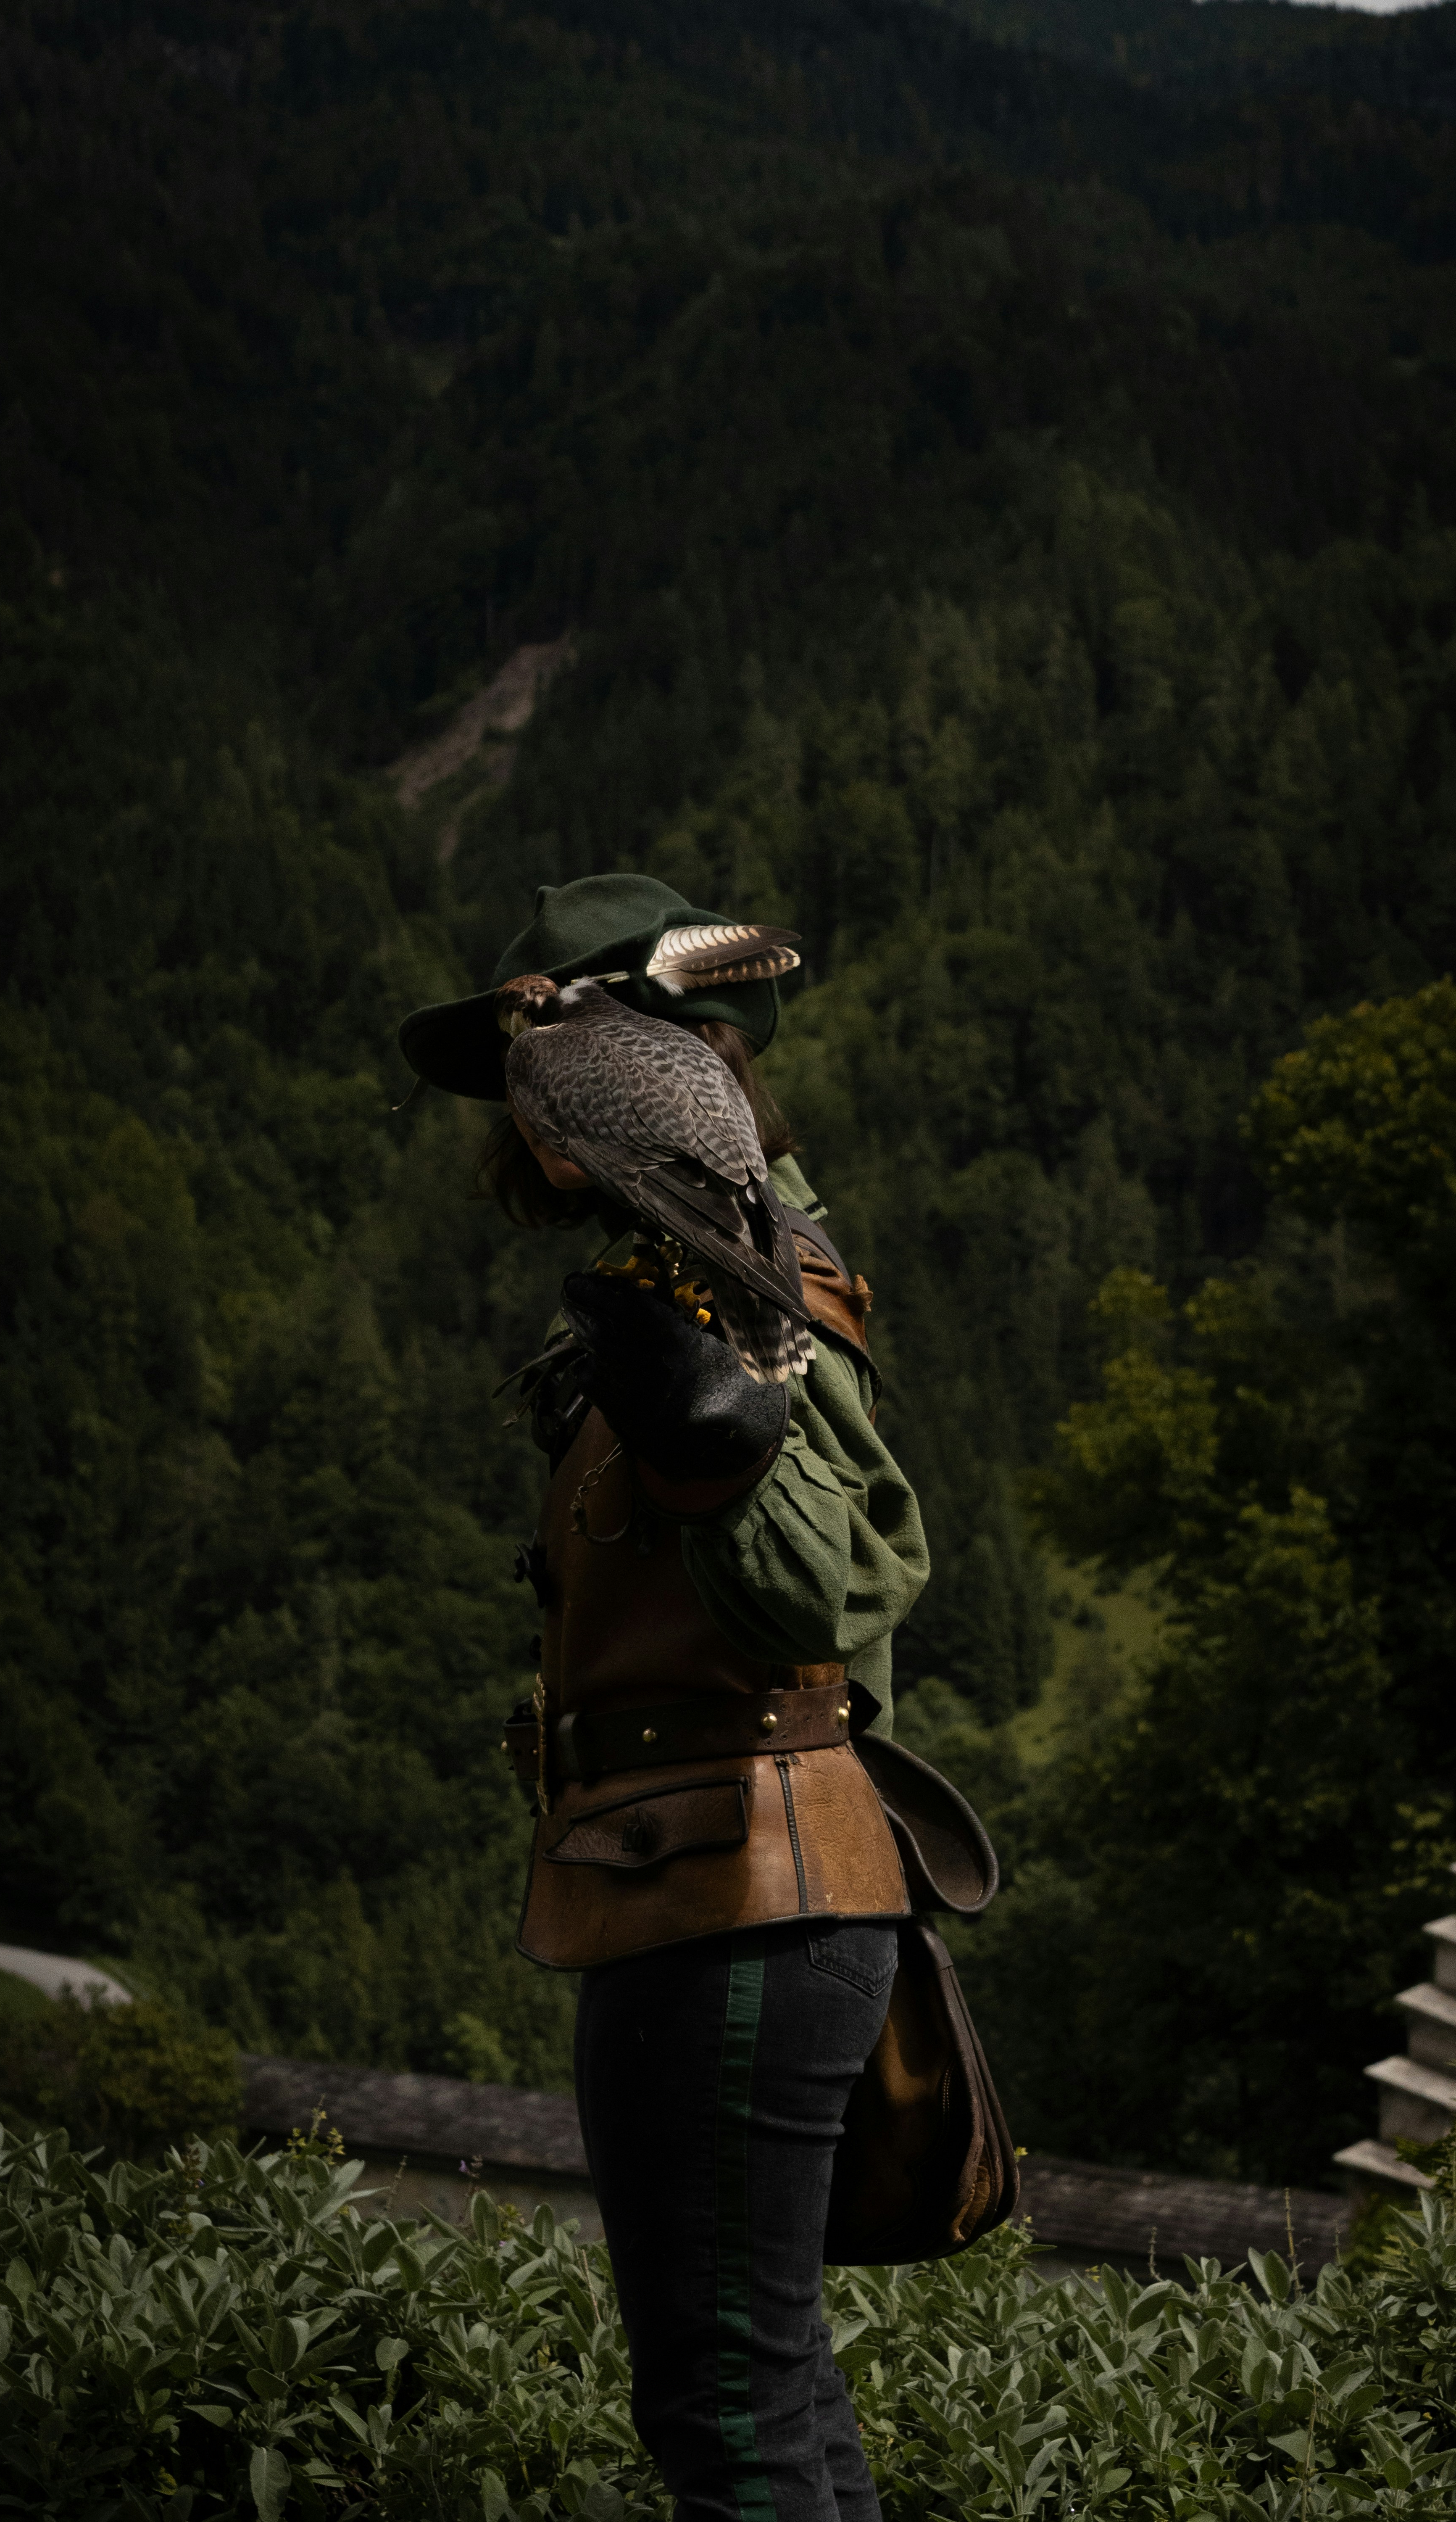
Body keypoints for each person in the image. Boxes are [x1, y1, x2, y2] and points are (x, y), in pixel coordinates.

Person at [398, 873, 929, 2522]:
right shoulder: (665, 1284)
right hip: (681, 1885)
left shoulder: (759, 1281)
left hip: (745, 1891)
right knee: (743, 2376)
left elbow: (839, 1592)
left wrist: (713, 1459)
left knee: (727, 2390)